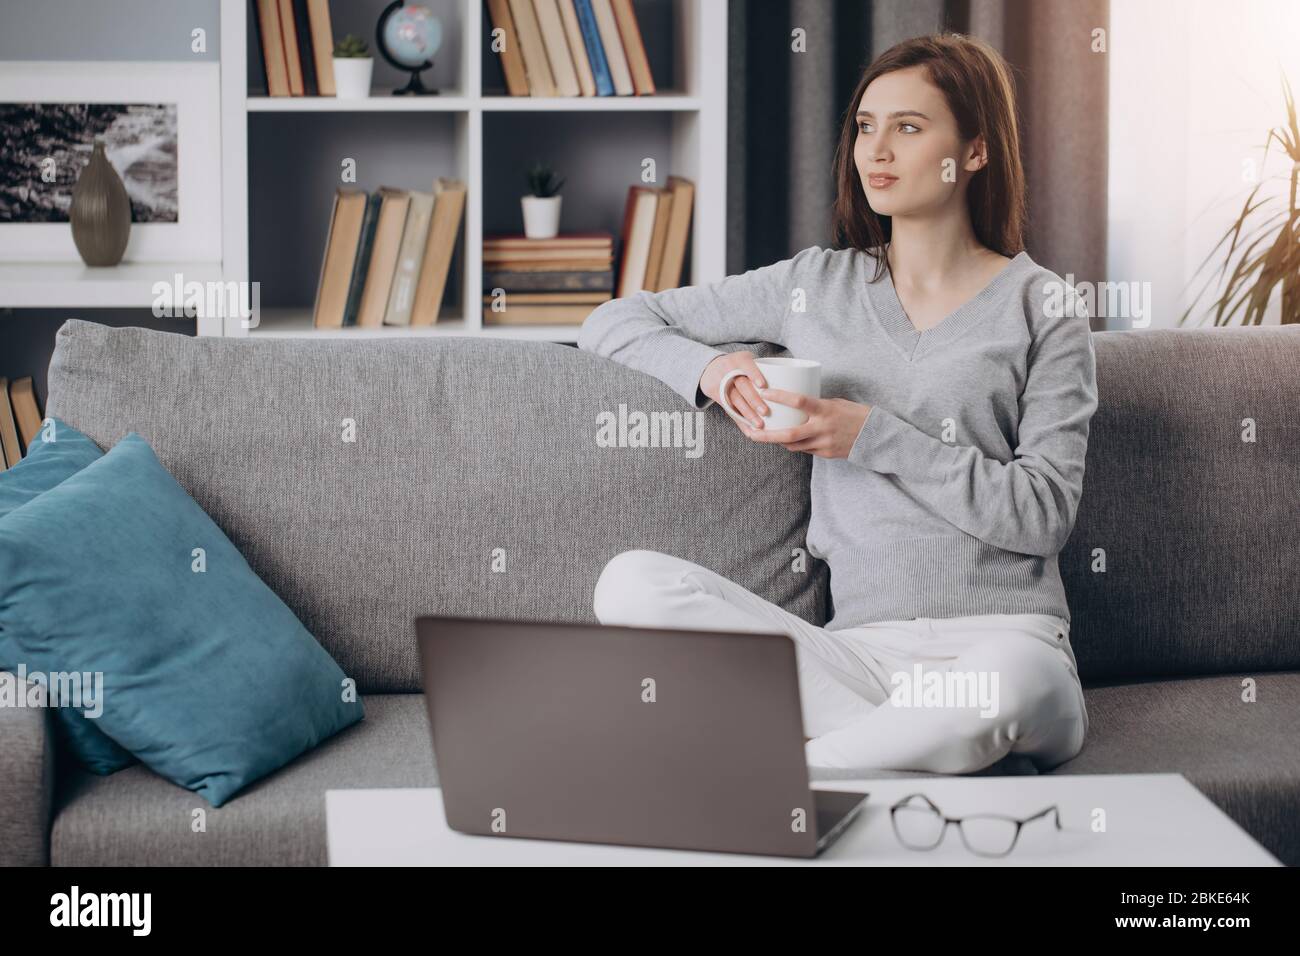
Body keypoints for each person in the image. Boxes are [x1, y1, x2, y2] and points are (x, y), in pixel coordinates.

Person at [576, 32, 1097, 774]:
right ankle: (921, 754)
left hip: (1009, 643)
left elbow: (1043, 513)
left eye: (908, 128)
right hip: (859, 656)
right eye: (865, 127)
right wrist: (716, 371)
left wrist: (872, 436)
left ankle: (796, 771)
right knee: (630, 582)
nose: (876, 150)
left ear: (974, 152)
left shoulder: (1044, 306)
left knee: (1002, 690)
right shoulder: (817, 285)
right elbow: (612, 320)